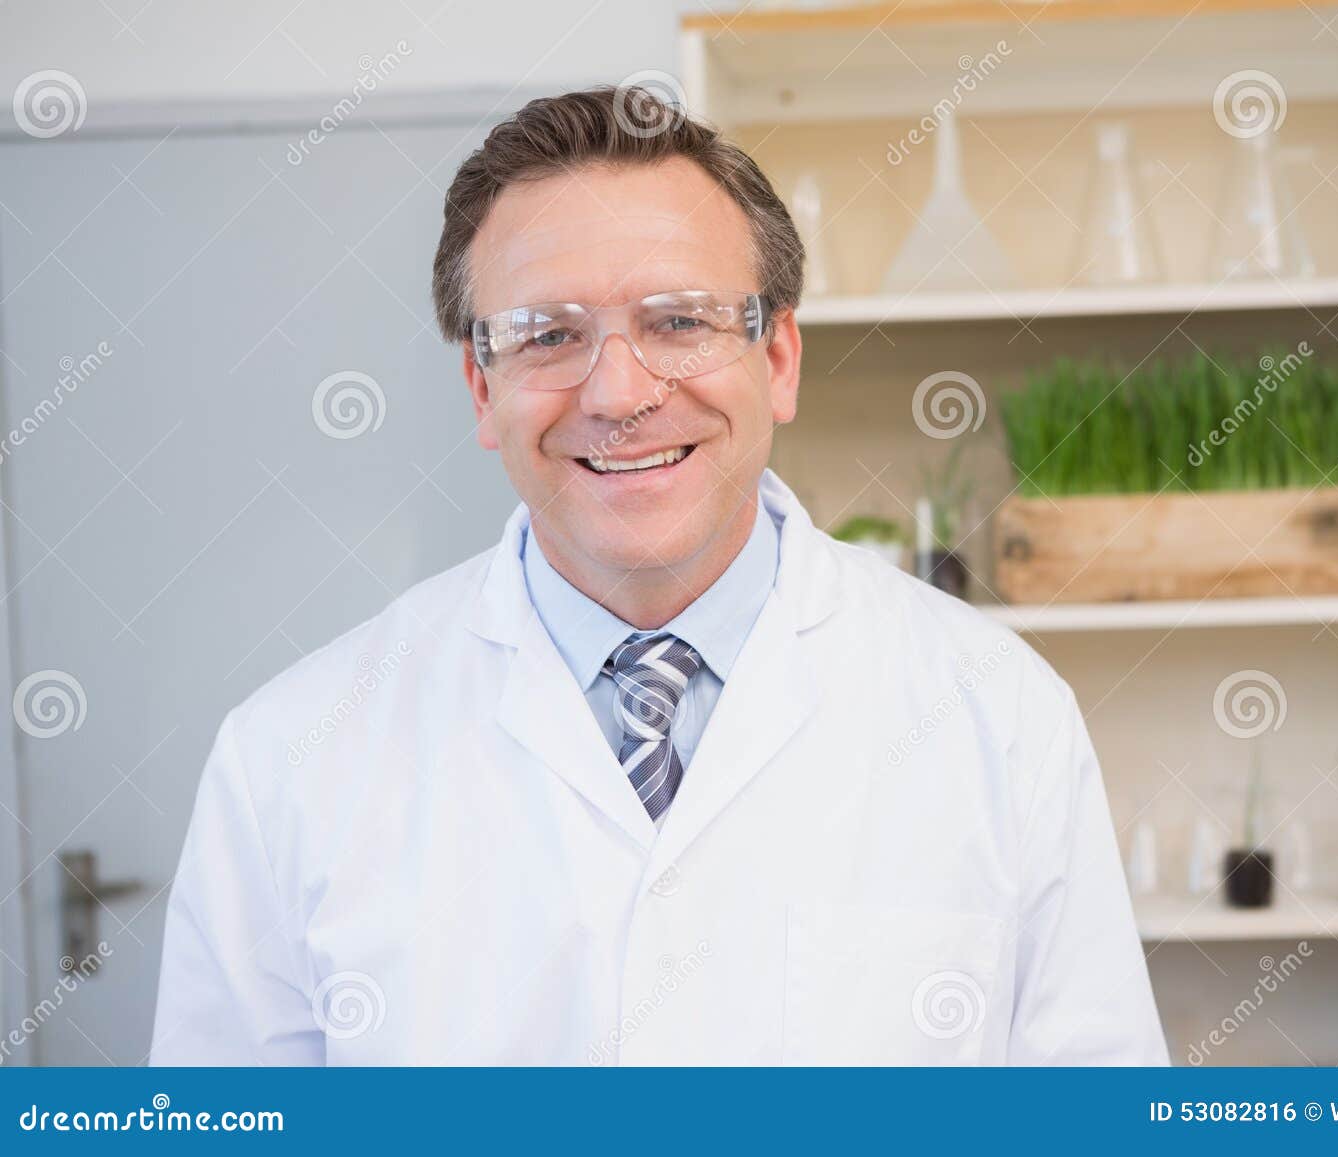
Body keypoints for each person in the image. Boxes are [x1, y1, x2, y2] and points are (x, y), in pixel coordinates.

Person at [150, 86, 1167, 1065]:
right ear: (480, 385)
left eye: (679, 321)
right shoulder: (289, 756)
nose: (620, 392)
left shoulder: (999, 712)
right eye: (550, 334)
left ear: (776, 359)